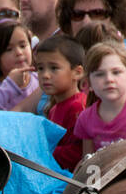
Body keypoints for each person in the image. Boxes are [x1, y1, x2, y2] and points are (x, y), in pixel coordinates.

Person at [33, 35, 87, 170]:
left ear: (77, 72)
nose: (45, 75)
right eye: (40, 68)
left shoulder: (79, 107)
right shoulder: (53, 108)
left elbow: (78, 152)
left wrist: (42, 151)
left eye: (54, 68)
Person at [0, 19, 36, 111]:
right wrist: (10, 85)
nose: (19, 53)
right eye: (9, 49)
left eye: (23, 46)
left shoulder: (40, 81)